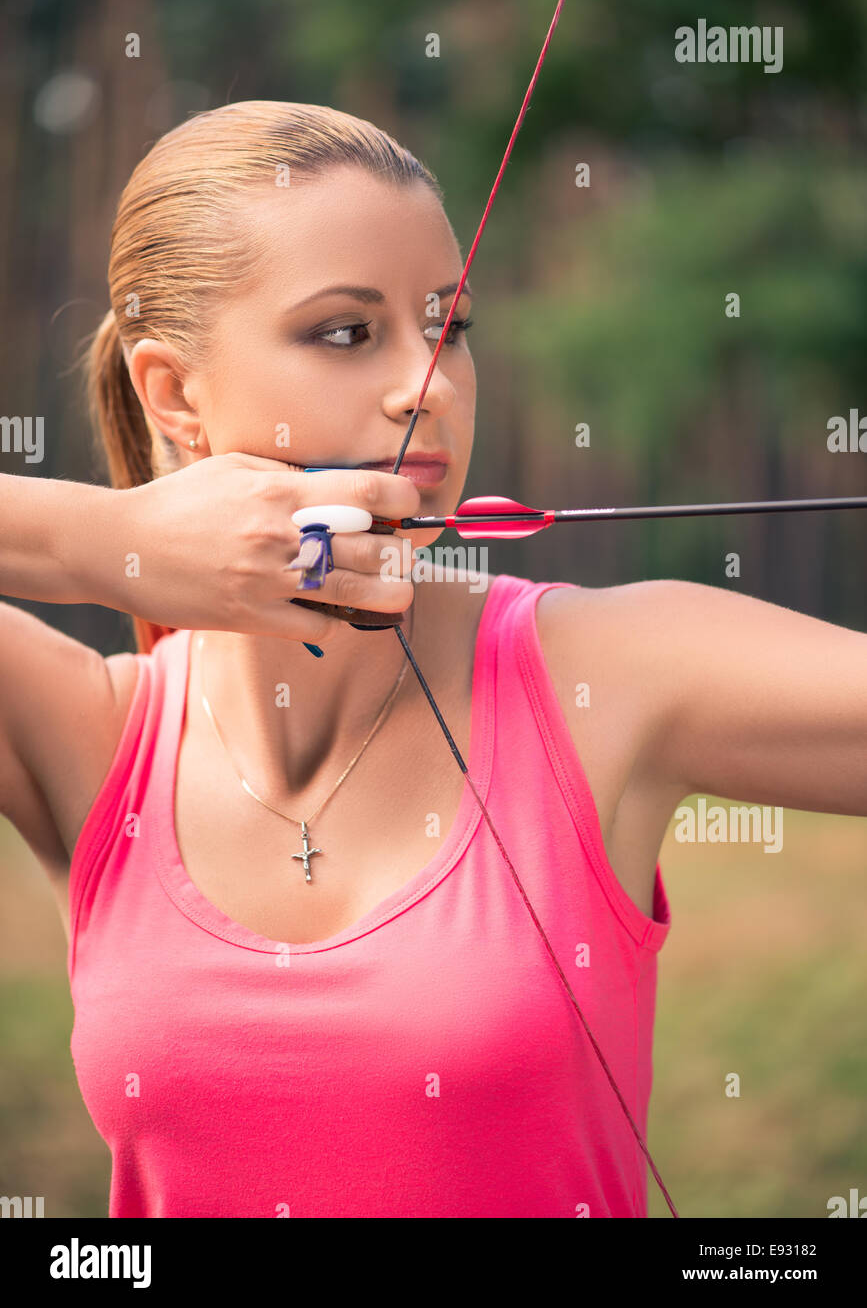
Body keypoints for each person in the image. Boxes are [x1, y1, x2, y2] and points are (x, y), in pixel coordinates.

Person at [1, 101, 864, 1218]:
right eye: (349, 332)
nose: (432, 384)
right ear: (175, 395)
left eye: (446, 325)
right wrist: (110, 544)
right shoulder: (83, 731)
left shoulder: (604, 674)